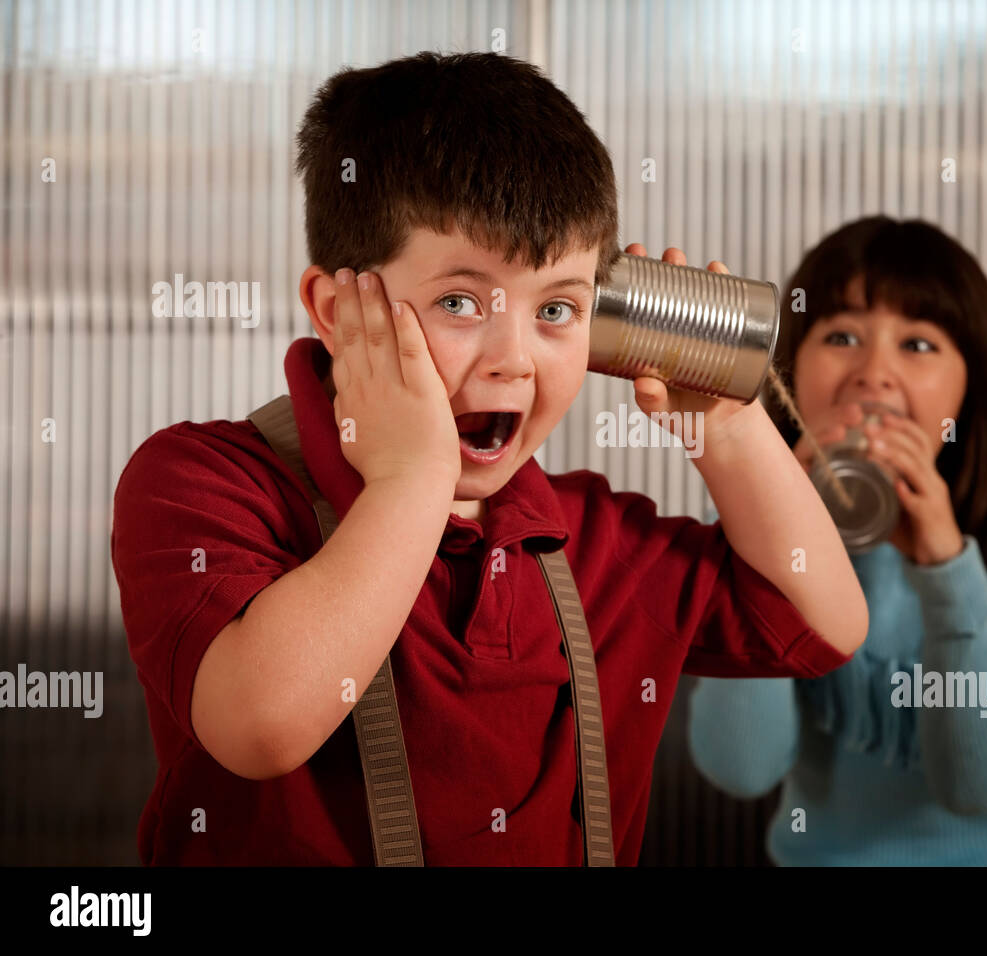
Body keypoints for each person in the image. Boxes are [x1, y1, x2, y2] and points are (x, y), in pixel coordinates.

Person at [110, 52, 867, 865]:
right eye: (460, 302)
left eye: (558, 309)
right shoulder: (203, 483)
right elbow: (262, 724)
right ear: (338, 312)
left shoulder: (591, 541)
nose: (515, 360)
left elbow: (821, 624)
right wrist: (410, 480)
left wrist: (726, 421)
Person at [688, 216, 987, 866]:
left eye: (920, 345)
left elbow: (975, 785)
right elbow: (741, 766)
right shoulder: (753, 530)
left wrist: (945, 565)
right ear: (788, 371)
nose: (874, 374)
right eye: (842, 336)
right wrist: (769, 531)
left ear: (971, 387)